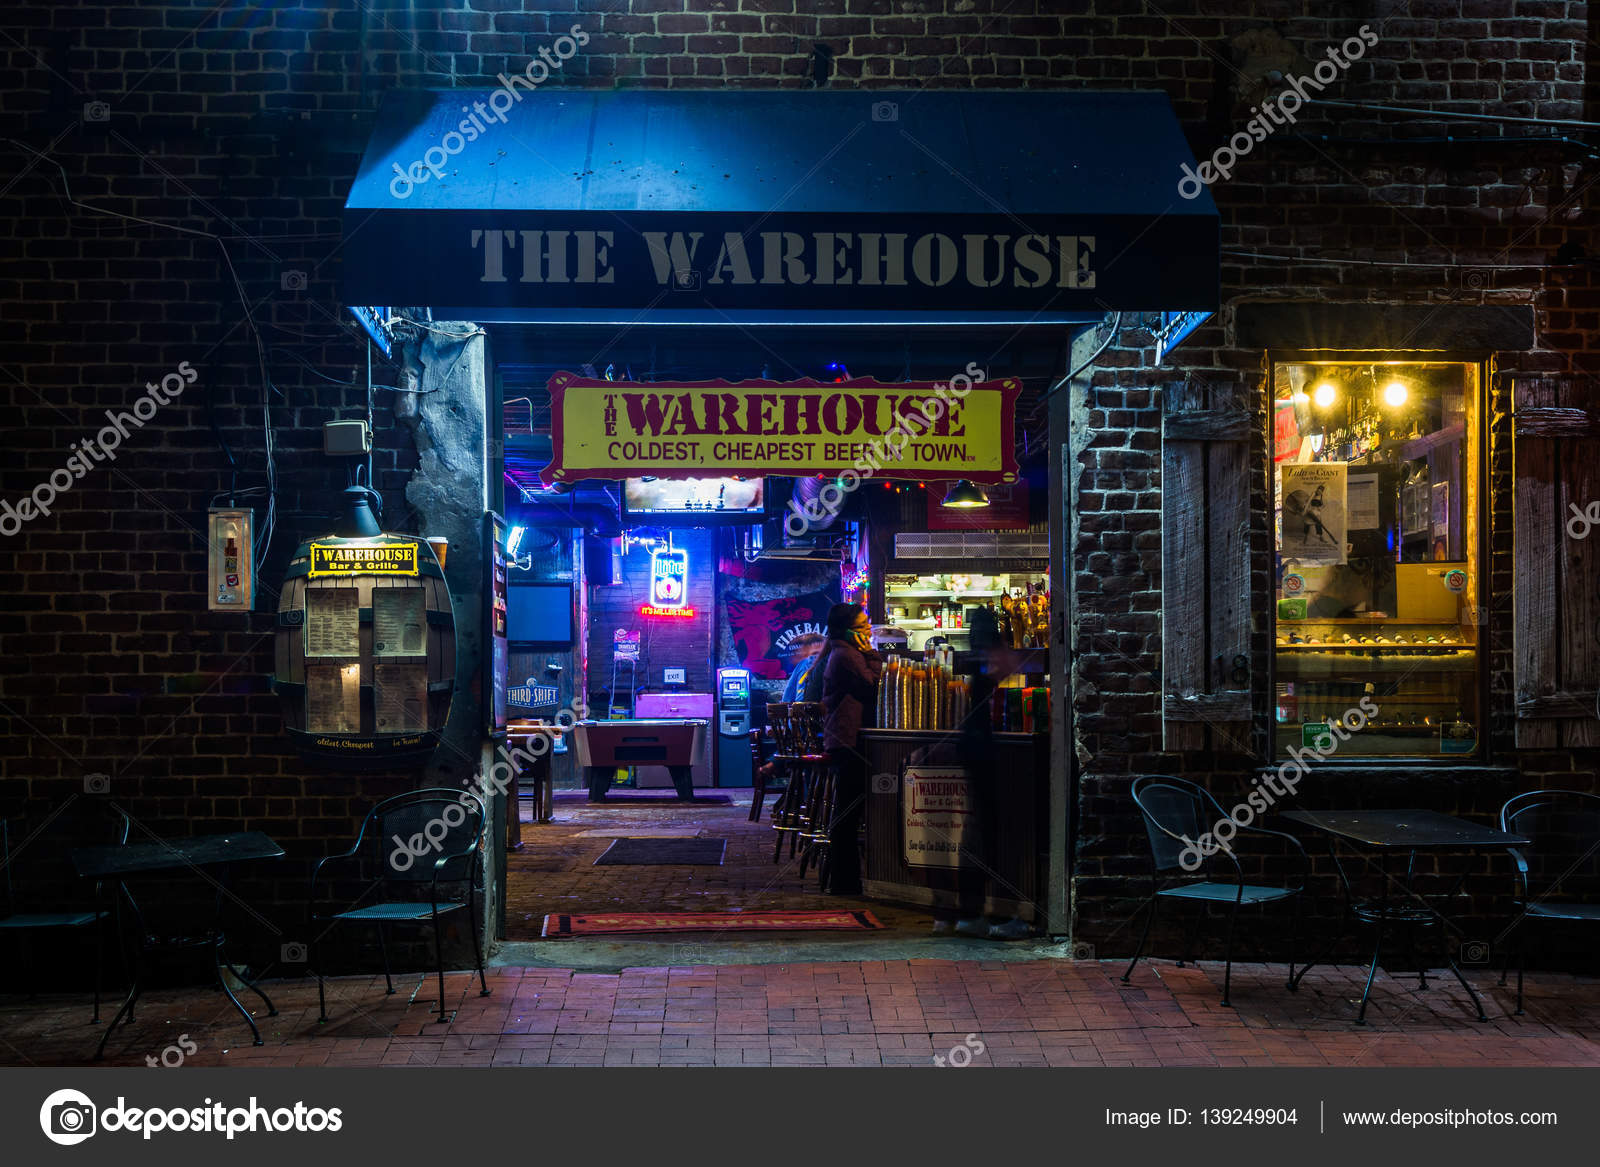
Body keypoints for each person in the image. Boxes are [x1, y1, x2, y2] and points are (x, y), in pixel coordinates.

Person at [936, 605, 1030, 939]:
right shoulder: (989, 666)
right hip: (989, 755)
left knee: (977, 835)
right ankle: (1002, 917)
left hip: (973, 751)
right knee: (997, 835)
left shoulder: (973, 662)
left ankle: (966, 913)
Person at [818, 603, 882, 895]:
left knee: (847, 811)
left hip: (844, 738)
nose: (869, 628)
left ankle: (845, 880)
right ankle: (845, 882)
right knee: (847, 813)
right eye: (864, 624)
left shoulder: (842, 652)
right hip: (848, 739)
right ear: (851, 631)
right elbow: (874, 685)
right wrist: (871, 652)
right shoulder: (847, 655)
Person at [781, 633, 827, 703]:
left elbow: (788, 695)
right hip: (805, 708)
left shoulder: (829, 665)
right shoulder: (802, 664)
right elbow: (789, 693)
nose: (816, 658)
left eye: (820, 654)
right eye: (814, 654)